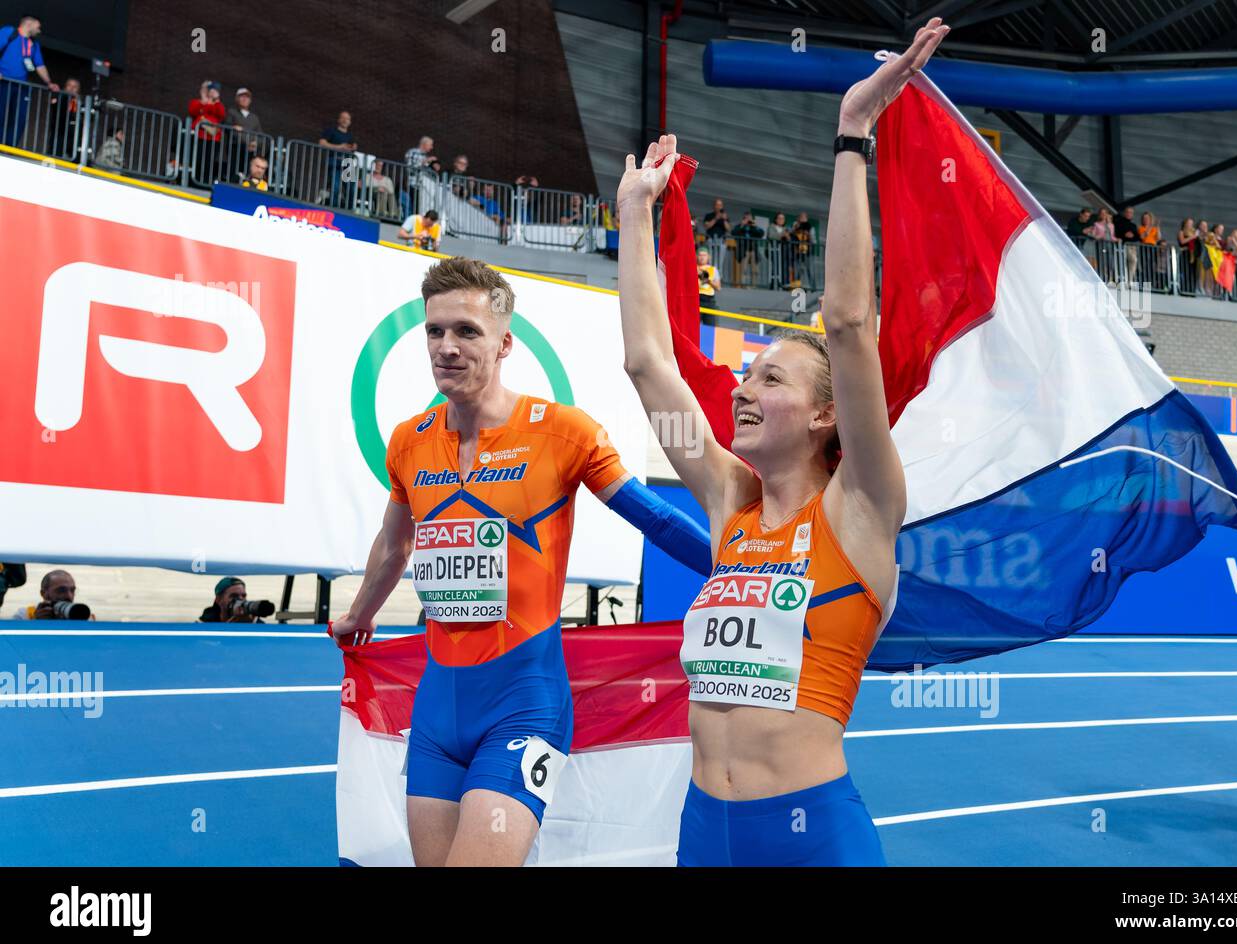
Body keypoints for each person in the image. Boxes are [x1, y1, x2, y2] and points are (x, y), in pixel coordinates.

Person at [615, 19, 948, 867]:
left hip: (810, 836)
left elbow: (845, 321)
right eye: (745, 375)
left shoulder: (865, 508)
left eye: (769, 379)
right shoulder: (732, 502)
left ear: (828, 415)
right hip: (703, 831)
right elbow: (648, 363)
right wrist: (633, 212)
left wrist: (851, 135)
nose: (740, 388)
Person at [329, 257, 711, 867]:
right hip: (437, 711)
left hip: (523, 703)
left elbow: (656, 519)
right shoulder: (409, 438)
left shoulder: (563, 433)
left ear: (505, 343)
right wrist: (357, 614)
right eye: (435, 331)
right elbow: (394, 543)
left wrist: (744, 566)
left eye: (467, 332)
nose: (446, 347)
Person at [0, 16, 60, 148]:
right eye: (38, 27)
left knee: (18, 120)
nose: (39, 31)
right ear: (29, 23)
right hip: (3, 83)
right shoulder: (9, 32)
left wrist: (49, 83)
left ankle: (9, 150)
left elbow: (39, 65)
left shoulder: (34, 45)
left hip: (22, 88)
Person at [10, 569, 95, 620]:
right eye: (61, 590)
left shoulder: (83, 616)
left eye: (72, 590)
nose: (69, 596)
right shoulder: (25, 615)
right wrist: (36, 623)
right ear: (43, 593)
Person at [319, 110, 357, 207]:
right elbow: (322, 143)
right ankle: (334, 209)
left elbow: (352, 148)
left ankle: (349, 211)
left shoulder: (350, 135)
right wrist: (339, 147)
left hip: (348, 163)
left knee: (351, 190)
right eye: (343, 118)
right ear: (339, 120)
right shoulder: (331, 131)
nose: (345, 120)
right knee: (335, 187)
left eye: (347, 119)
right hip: (334, 161)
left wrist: (353, 147)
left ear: (350, 122)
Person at [198, 577, 273, 623]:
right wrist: (229, 628)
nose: (240, 600)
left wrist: (252, 626)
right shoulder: (205, 625)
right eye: (233, 596)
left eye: (243, 596)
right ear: (218, 599)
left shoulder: (256, 623)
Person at [732, 211, 765, 286]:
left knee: (755, 269)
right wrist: (742, 225)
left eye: (749, 218)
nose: (748, 219)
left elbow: (761, 234)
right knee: (744, 268)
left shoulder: (753, 227)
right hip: (743, 250)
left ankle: (754, 285)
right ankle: (744, 283)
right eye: (746, 218)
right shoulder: (740, 226)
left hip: (753, 250)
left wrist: (755, 226)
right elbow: (733, 233)